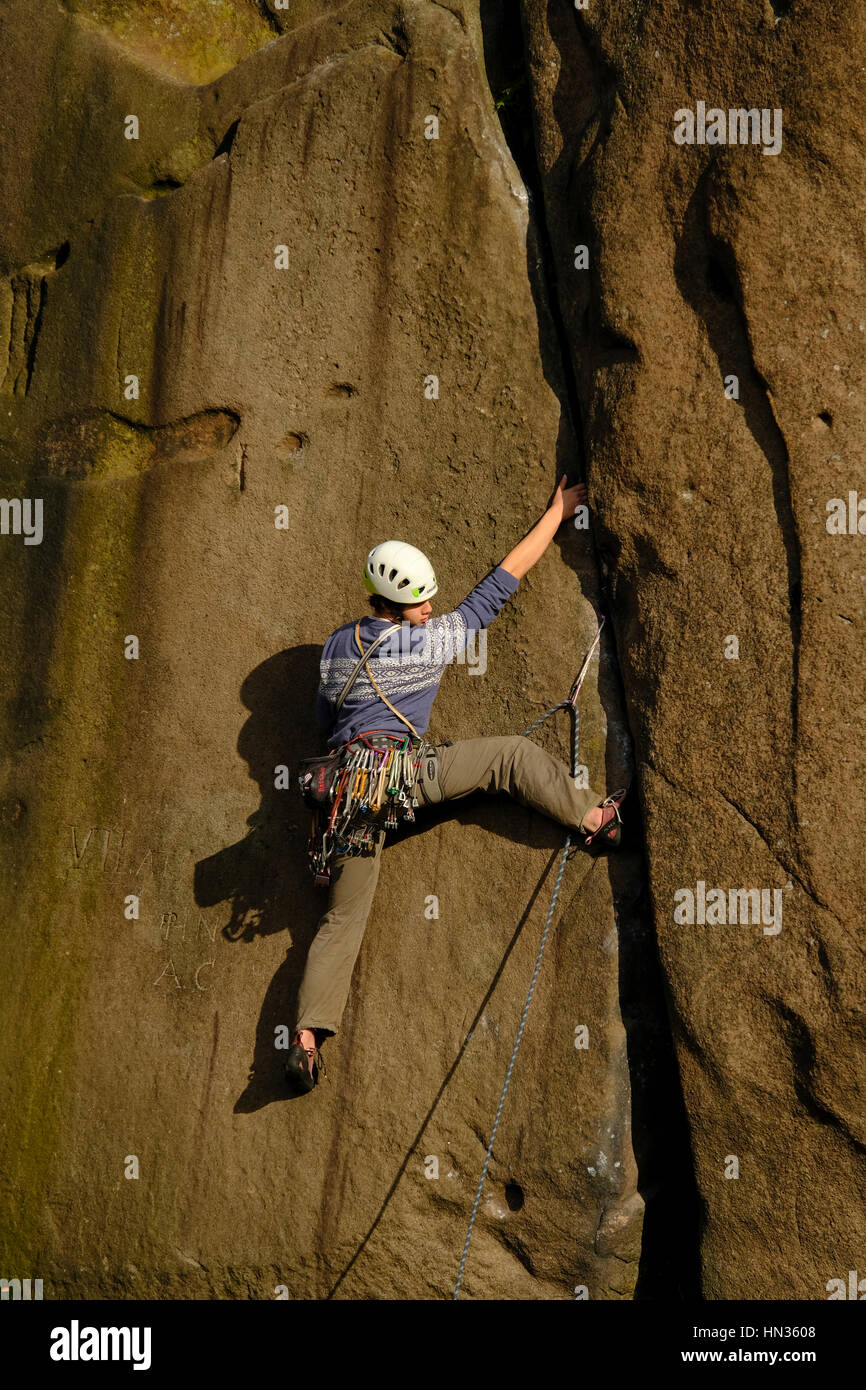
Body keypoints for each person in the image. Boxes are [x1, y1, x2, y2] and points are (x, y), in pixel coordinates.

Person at [286, 477, 626, 1092]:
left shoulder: (336, 647)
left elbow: (322, 722)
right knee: (510, 758)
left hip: (340, 799)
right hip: (402, 779)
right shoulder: (427, 645)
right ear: (395, 603)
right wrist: (556, 514)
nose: (429, 609)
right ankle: (595, 820)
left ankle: (306, 1039)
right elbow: (499, 587)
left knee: (341, 920)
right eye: (419, 603)